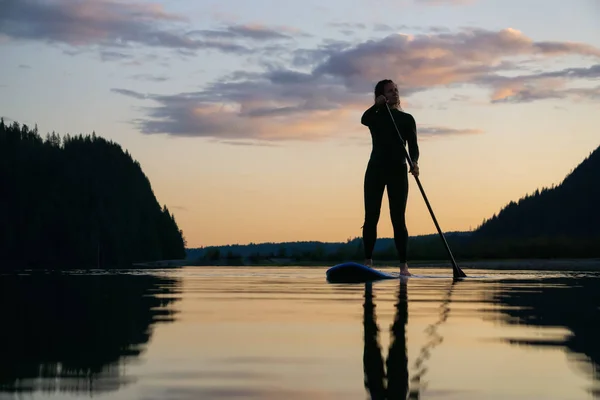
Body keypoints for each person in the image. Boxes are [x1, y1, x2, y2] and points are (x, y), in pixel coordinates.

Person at [360, 79, 419, 276]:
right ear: (381, 96)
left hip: (398, 171)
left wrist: (415, 163)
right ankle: (368, 261)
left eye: (396, 90)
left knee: (398, 219)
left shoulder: (407, 119)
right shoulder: (375, 117)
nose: (395, 93)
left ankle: (403, 266)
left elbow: (414, 148)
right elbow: (364, 119)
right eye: (390, 91)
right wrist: (376, 105)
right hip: (376, 170)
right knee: (371, 217)